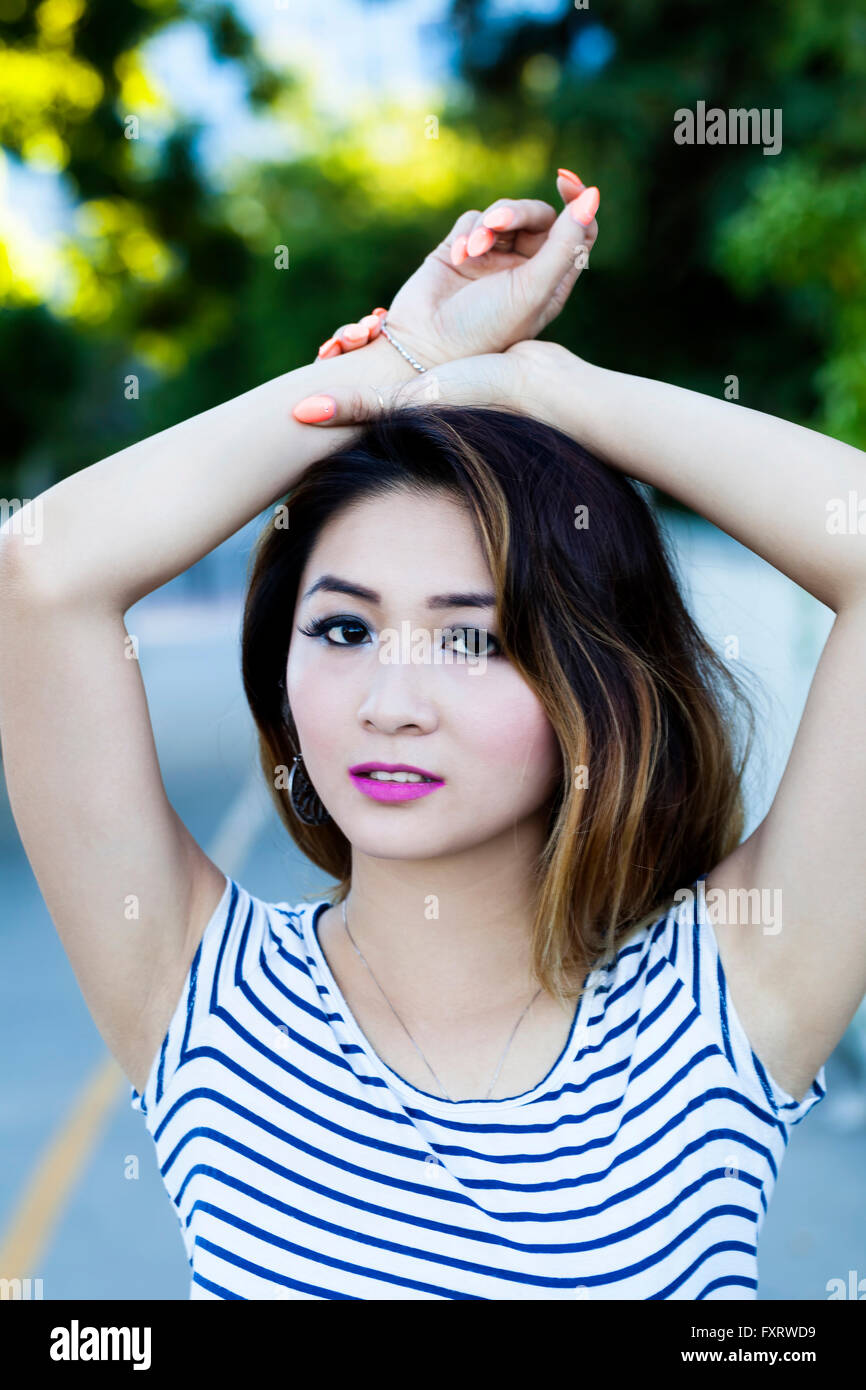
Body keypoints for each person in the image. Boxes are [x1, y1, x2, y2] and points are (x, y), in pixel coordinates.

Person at [1, 171, 863, 1302]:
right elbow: (41, 569)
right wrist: (396, 359)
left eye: (474, 640)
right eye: (345, 626)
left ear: (590, 680)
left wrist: (554, 390)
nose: (389, 700)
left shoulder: (723, 1004)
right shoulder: (203, 997)